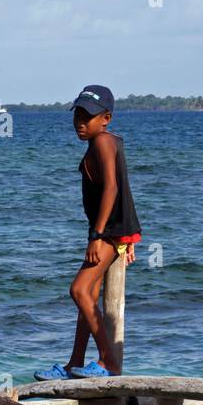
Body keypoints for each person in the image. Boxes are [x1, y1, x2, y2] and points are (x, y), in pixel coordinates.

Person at [34, 84, 141, 381]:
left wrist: (97, 235)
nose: (81, 122)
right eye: (77, 115)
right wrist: (130, 236)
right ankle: (74, 364)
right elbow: (124, 191)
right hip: (111, 230)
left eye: (88, 117)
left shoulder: (103, 143)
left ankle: (108, 362)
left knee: (79, 290)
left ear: (106, 118)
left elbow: (112, 189)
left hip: (107, 232)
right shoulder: (107, 142)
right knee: (88, 296)